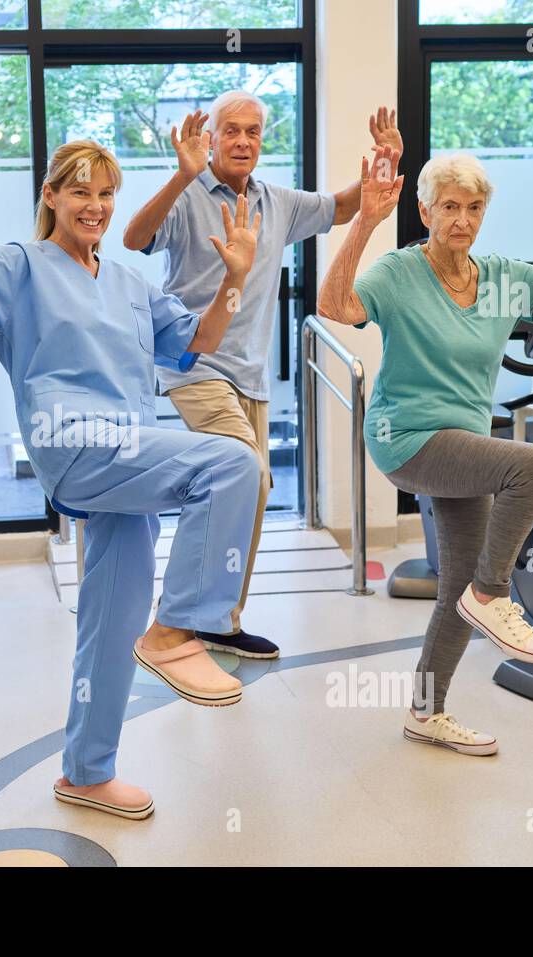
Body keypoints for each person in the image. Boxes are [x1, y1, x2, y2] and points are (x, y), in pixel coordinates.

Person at [0, 105, 262, 820]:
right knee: (233, 463)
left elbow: (195, 345)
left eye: (106, 193)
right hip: (76, 443)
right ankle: (180, 630)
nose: (97, 206)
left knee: (110, 619)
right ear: (50, 195)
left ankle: (85, 771)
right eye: (80, 190)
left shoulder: (131, 282)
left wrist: (235, 279)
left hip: (130, 457)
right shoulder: (20, 265)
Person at [318, 140, 533, 755]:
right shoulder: (400, 274)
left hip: (463, 444)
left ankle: (427, 711)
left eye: (473, 207)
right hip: (406, 437)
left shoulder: (501, 280)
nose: (462, 220)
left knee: (454, 590)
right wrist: (367, 218)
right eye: (449, 207)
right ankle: (494, 594)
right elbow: (335, 304)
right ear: (425, 213)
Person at [123, 94, 402, 658]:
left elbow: (346, 206)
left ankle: (219, 618)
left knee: (248, 487)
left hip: (248, 376)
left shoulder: (277, 202)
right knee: (245, 473)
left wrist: (384, 163)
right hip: (193, 364)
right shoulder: (190, 193)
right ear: (214, 137)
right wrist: (182, 176)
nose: (243, 141)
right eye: (231, 131)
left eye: (252, 131)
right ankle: (185, 615)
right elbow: (133, 238)